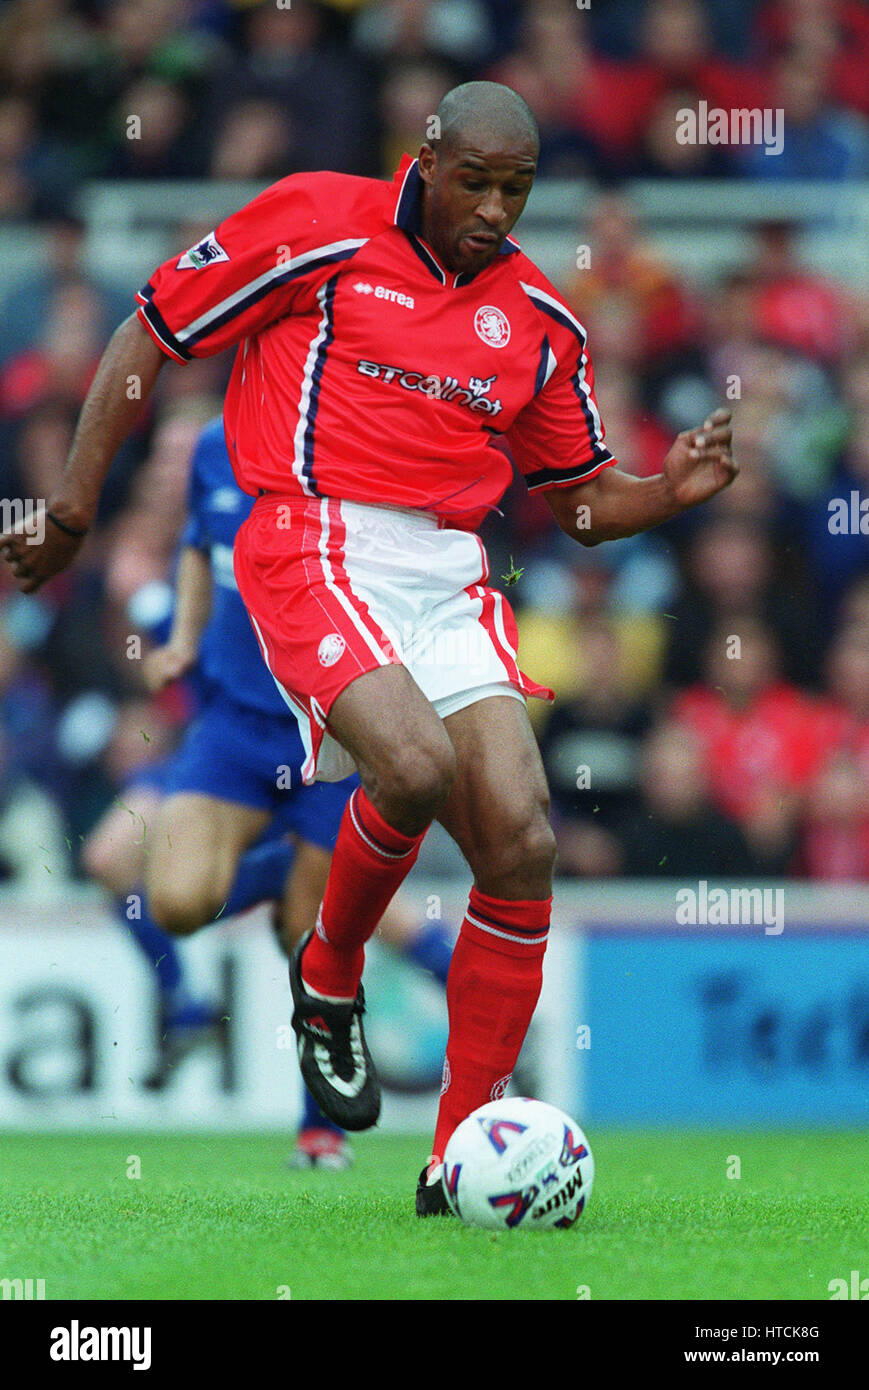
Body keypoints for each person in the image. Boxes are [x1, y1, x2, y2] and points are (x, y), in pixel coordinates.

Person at [0, 81, 737, 1216]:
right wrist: (75, 511)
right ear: (424, 158)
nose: (496, 210)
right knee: (414, 765)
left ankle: (457, 1157)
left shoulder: (537, 321)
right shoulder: (313, 221)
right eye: (477, 182)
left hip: (446, 572)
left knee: (523, 840)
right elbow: (148, 332)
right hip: (307, 534)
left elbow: (580, 502)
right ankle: (328, 969)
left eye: (518, 191)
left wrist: (665, 490)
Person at [83, 415, 455, 1168]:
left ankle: (318, 1131)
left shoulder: (355, 448)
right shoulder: (215, 445)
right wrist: (183, 641)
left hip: (329, 730)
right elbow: (197, 549)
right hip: (232, 730)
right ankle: (284, 888)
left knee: (308, 945)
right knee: (178, 902)